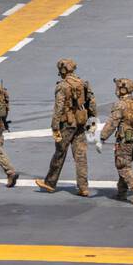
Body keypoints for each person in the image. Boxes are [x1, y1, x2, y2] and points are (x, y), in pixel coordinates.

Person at [36, 58, 96, 196]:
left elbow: (58, 108)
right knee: (80, 155)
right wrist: (92, 122)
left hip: (67, 124)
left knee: (60, 153)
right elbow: (91, 103)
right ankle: (83, 187)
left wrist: (55, 127)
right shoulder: (83, 83)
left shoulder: (62, 86)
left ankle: (50, 183)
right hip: (81, 122)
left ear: (62, 70)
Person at [99, 78, 133, 204]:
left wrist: (102, 138)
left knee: (123, 165)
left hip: (124, 140)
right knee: (125, 164)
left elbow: (112, 123)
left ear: (122, 89)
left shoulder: (120, 104)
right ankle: (121, 192)